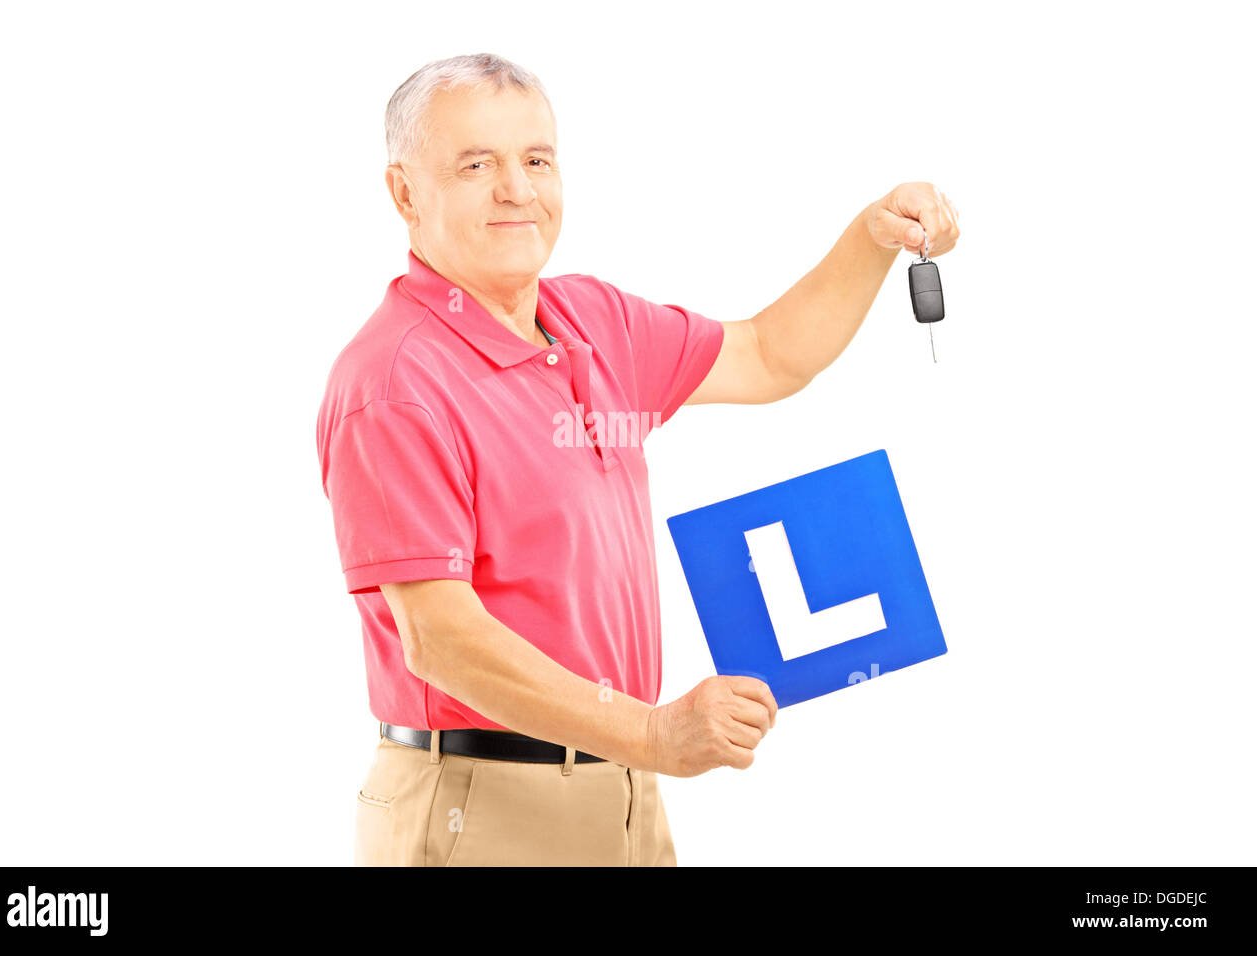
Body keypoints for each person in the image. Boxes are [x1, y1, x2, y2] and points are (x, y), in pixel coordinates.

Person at [315, 52, 960, 866]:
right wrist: (652, 731)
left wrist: (871, 237)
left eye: (537, 160)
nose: (517, 188)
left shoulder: (592, 321)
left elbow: (768, 355)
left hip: (621, 788)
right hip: (479, 804)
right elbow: (440, 638)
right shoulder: (395, 382)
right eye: (477, 164)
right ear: (405, 192)